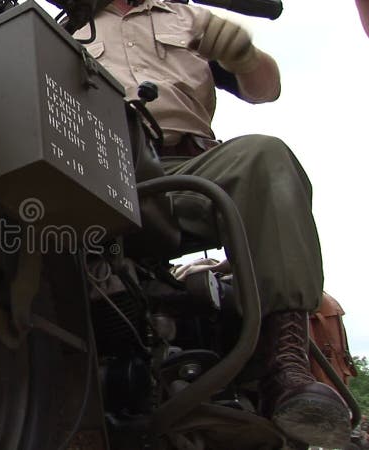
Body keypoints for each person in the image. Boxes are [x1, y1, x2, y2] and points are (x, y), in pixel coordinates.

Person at [74, 0, 350, 446]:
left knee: (265, 156)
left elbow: (265, 90)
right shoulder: (68, 22)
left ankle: (287, 367)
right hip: (97, 163)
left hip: (186, 168)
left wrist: (246, 58)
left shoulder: (186, 18)